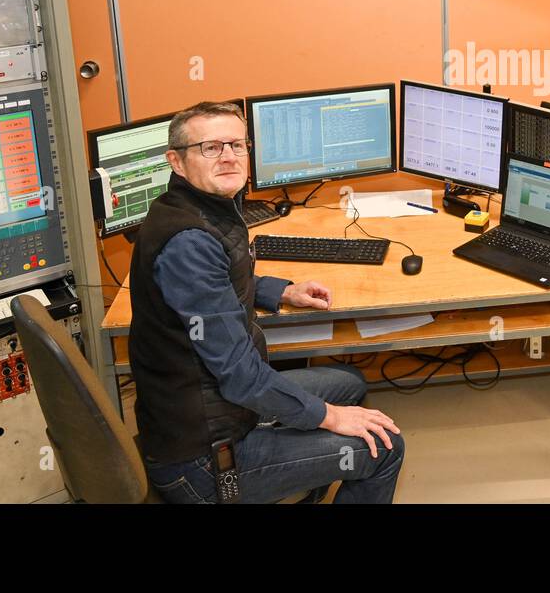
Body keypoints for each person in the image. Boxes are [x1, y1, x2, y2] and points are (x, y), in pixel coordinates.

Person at [127, 99, 404, 503]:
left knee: (349, 383)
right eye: (211, 147)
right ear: (177, 161)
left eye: (237, 146)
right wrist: (329, 417)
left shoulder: (200, 208)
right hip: (202, 457)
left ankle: (301, 477)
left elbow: (216, 284)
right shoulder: (188, 241)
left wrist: (282, 291)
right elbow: (242, 378)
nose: (228, 157)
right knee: (386, 446)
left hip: (214, 407)